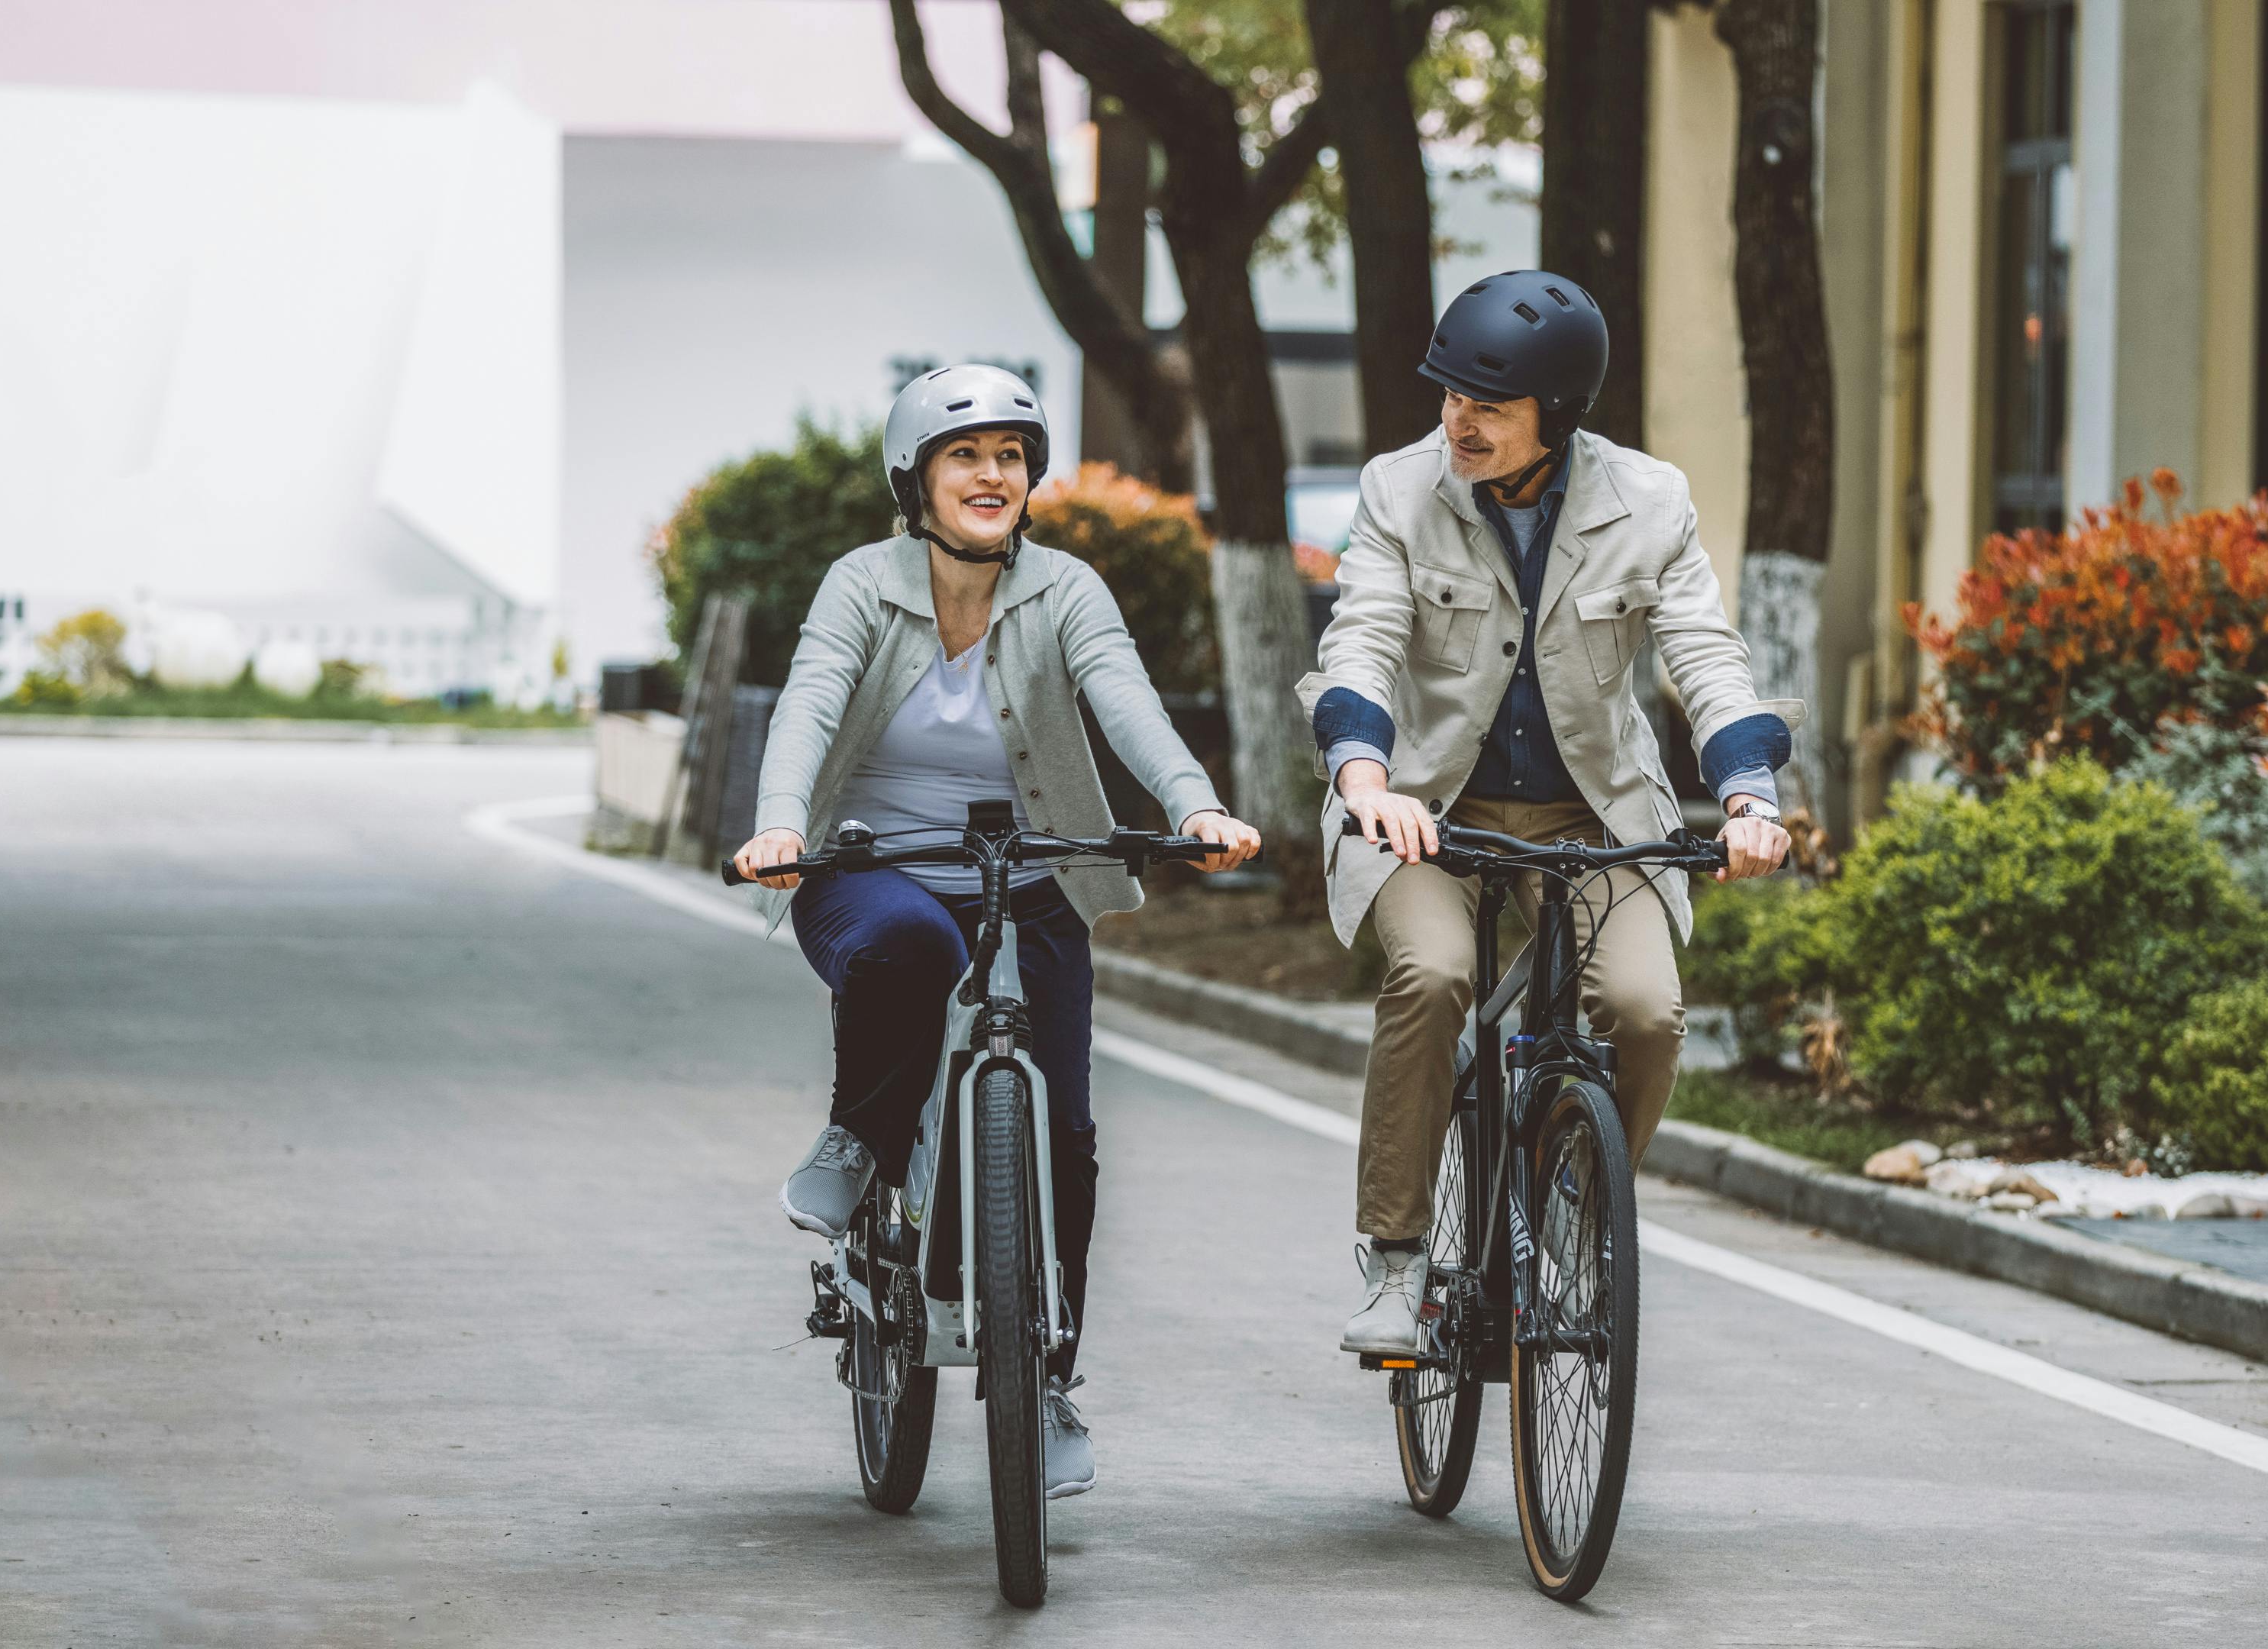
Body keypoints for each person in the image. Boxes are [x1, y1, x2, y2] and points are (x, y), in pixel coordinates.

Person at [731, 364, 1260, 1495]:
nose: (991, 475)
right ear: (915, 478)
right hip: (870, 864)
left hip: (1027, 874)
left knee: (1064, 1132)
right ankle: (858, 1143)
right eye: (965, 455)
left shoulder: (1064, 589)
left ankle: (1048, 1376)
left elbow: (1125, 699)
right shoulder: (859, 586)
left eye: (1010, 456)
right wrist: (781, 824)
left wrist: (1193, 804)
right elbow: (811, 699)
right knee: (910, 949)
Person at [1295, 272, 1799, 1356]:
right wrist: (1362, 776)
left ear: (1556, 416)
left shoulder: (1648, 500)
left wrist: (1750, 794)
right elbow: (1363, 639)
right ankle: (1394, 1261)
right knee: (1432, 977)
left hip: (1592, 815)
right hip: (1427, 811)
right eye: (1449, 398)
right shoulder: (1399, 489)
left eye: (1488, 406)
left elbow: (1704, 658)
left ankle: (1571, 1208)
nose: (1457, 423)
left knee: (1645, 1010)